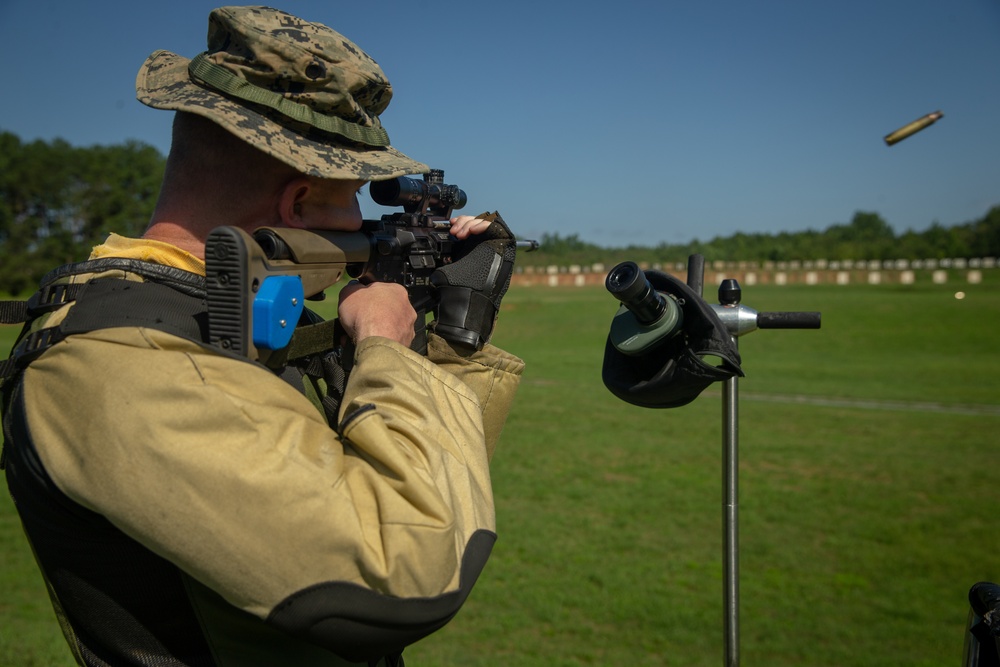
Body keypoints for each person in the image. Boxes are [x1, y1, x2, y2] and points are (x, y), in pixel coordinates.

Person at [0, 6, 523, 666]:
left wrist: (452, 333)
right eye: (355, 193)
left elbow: (422, 484)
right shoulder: (119, 364)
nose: (364, 218)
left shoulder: (223, 313)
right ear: (299, 205)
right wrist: (386, 346)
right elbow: (402, 567)